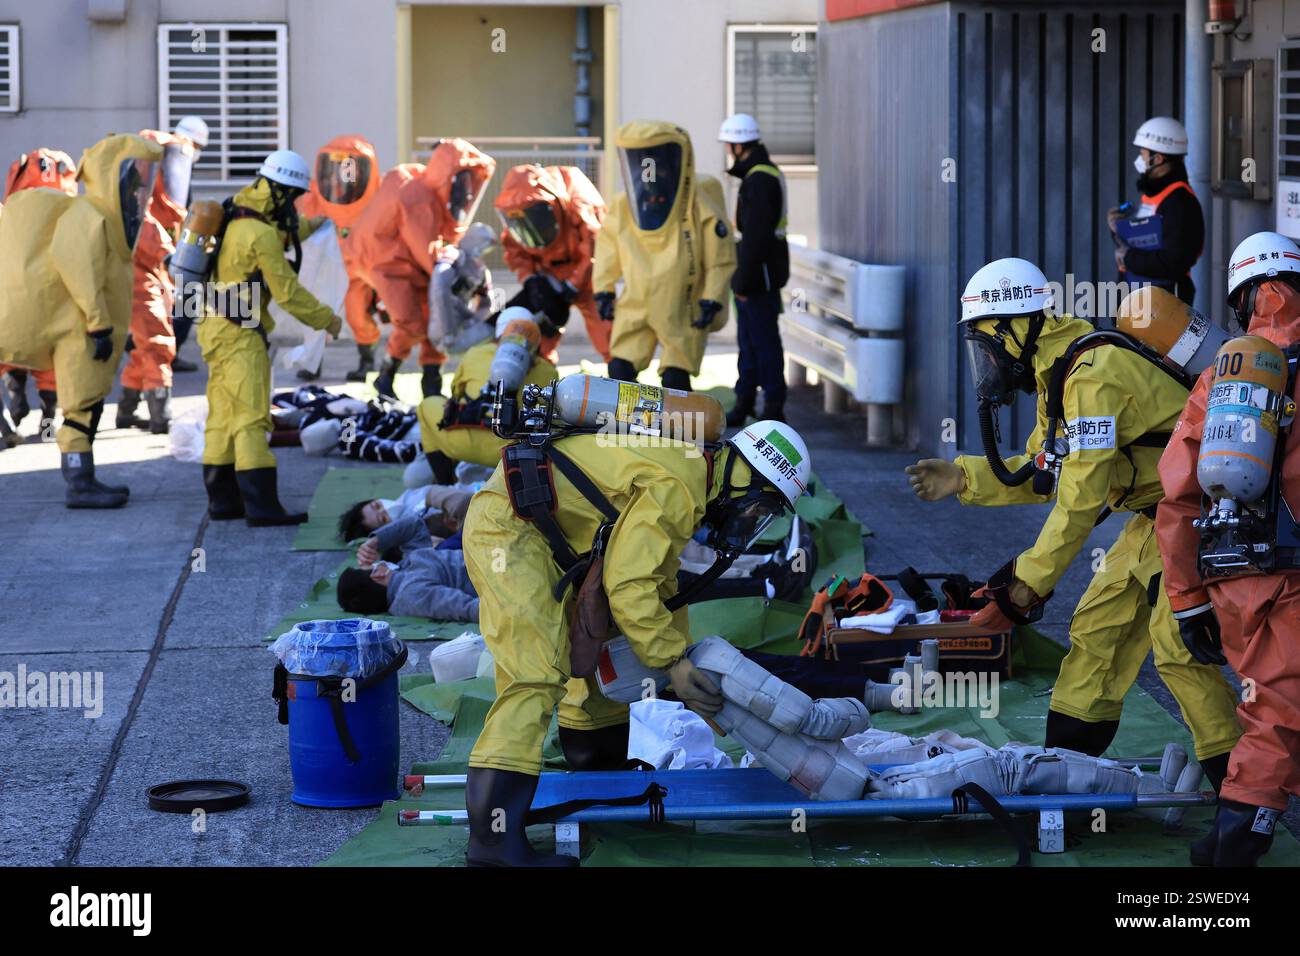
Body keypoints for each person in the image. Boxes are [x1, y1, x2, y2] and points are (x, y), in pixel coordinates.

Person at [904, 257, 1240, 783]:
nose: (986, 360)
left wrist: (1023, 589)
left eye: (987, 342)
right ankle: (1064, 776)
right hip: (1154, 520)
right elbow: (1048, 471)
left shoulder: (1092, 376)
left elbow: (1079, 499)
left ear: (1018, 327)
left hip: (1190, 514)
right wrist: (964, 477)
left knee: (1175, 647)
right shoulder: (1058, 374)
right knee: (1096, 632)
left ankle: (1241, 797)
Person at [462, 417, 810, 865]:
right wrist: (673, 663)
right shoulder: (680, 485)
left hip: (548, 534)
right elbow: (630, 585)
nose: (751, 521)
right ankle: (492, 845)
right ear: (745, 479)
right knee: (534, 674)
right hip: (509, 532)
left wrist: (681, 661)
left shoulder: (694, 473)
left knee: (605, 654)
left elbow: (660, 584)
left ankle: (599, 775)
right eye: (759, 509)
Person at [1156, 231, 1300, 866]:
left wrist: (1187, 600)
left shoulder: (1223, 374)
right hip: (1291, 576)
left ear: (1243, 302)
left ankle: (1232, 835)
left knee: (1263, 702)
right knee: (1278, 709)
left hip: (1230, 574)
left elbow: (1178, 495)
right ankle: (1234, 849)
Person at [0, 133, 163, 507]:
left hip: (81, 324)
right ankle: (80, 483)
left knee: (84, 402)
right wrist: (98, 324)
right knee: (82, 404)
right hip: (81, 327)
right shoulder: (88, 216)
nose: (140, 185)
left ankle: (82, 479)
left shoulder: (97, 216)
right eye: (134, 175)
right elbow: (79, 268)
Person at [199, 150, 343, 526]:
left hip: (214, 329)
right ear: (278, 192)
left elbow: (282, 235)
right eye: (293, 196)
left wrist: (312, 226)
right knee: (251, 417)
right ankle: (263, 507)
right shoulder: (260, 233)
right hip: (241, 335)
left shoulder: (236, 216)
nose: (294, 205)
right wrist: (327, 320)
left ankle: (223, 502)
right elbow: (288, 293)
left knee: (222, 415)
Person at [345, 139, 496, 399]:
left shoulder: (429, 194)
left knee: (437, 316)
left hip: (407, 264)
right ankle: (385, 377)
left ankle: (431, 381)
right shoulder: (418, 199)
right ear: (447, 177)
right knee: (412, 323)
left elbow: (434, 251)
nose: (467, 193)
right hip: (386, 264)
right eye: (462, 183)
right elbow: (426, 249)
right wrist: (457, 270)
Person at [593, 121, 736, 392]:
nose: (649, 175)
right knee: (620, 370)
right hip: (636, 302)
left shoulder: (697, 203)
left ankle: (677, 431)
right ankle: (624, 430)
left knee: (675, 379)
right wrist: (603, 290)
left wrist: (711, 299)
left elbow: (721, 256)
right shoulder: (625, 206)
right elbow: (607, 248)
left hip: (681, 304)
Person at [115, 127, 201, 434]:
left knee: (143, 349)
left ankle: (125, 410)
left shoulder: (152, 207)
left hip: (151, 278)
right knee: (158, 344)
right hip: (142, 281)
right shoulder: (142, 210)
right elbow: (159, 247)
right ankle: (160, 416)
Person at [415, 306, 558, 483]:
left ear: (499, 333)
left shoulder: (476, 353)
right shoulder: (549, 371)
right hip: (514, 453)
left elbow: (456, 395)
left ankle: (446, 483)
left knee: (428, 404)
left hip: (462, 443)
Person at [1, 147, 78, 441]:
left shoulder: (9, 214)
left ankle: (14, 402)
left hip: (13, 302)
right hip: (55, 302)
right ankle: (47, 426)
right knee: (53, 364)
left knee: (10, 351)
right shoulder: (70, 214)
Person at [718, 113, 791, 425]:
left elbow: (757, 237)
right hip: (757, 274)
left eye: (729, 144)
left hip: (758, 276)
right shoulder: (759, 174)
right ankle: (746, 401)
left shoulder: (759, 179)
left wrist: (744, 282)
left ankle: (773, 407)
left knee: (763, 344)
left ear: (738, 144)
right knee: (749, 343)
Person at [494, 164, 607, 359]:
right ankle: (541, 380)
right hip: (549, 275)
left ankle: (623, 379)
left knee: (609, 333)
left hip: (590, 276)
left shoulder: (578, 199)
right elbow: (516, 251)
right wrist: (531, 280)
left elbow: (594, 245)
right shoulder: (518, 211)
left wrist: (573, 284)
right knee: (537, 339)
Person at [296, 135, 383, 382]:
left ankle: (367, 362)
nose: (345, 172)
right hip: (327, 262)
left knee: (358, 315)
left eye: (350, 166)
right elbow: (305, 219)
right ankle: (313, 363)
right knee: (318, 314)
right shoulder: (318, 190)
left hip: (359, 266)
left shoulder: (378, 192)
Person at [1108, 116, 1204, 306]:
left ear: (1158, 158)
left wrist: (1127, 258)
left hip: (1162, 309)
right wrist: (1117, 229)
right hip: (1141, 302)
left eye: (1143, 155)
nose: (1139, 160)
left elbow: (1173, 261)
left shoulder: (1180, 203)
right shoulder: (1158, 195)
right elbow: (1144, 242)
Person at [166, 116, 210, 373]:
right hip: (166, 245)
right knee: (186, 296)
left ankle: (169, 351)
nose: (198, 153)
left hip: (171, 243)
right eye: (199, 147)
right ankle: (168, 352)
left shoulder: (173, 164)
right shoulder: (171, 165)